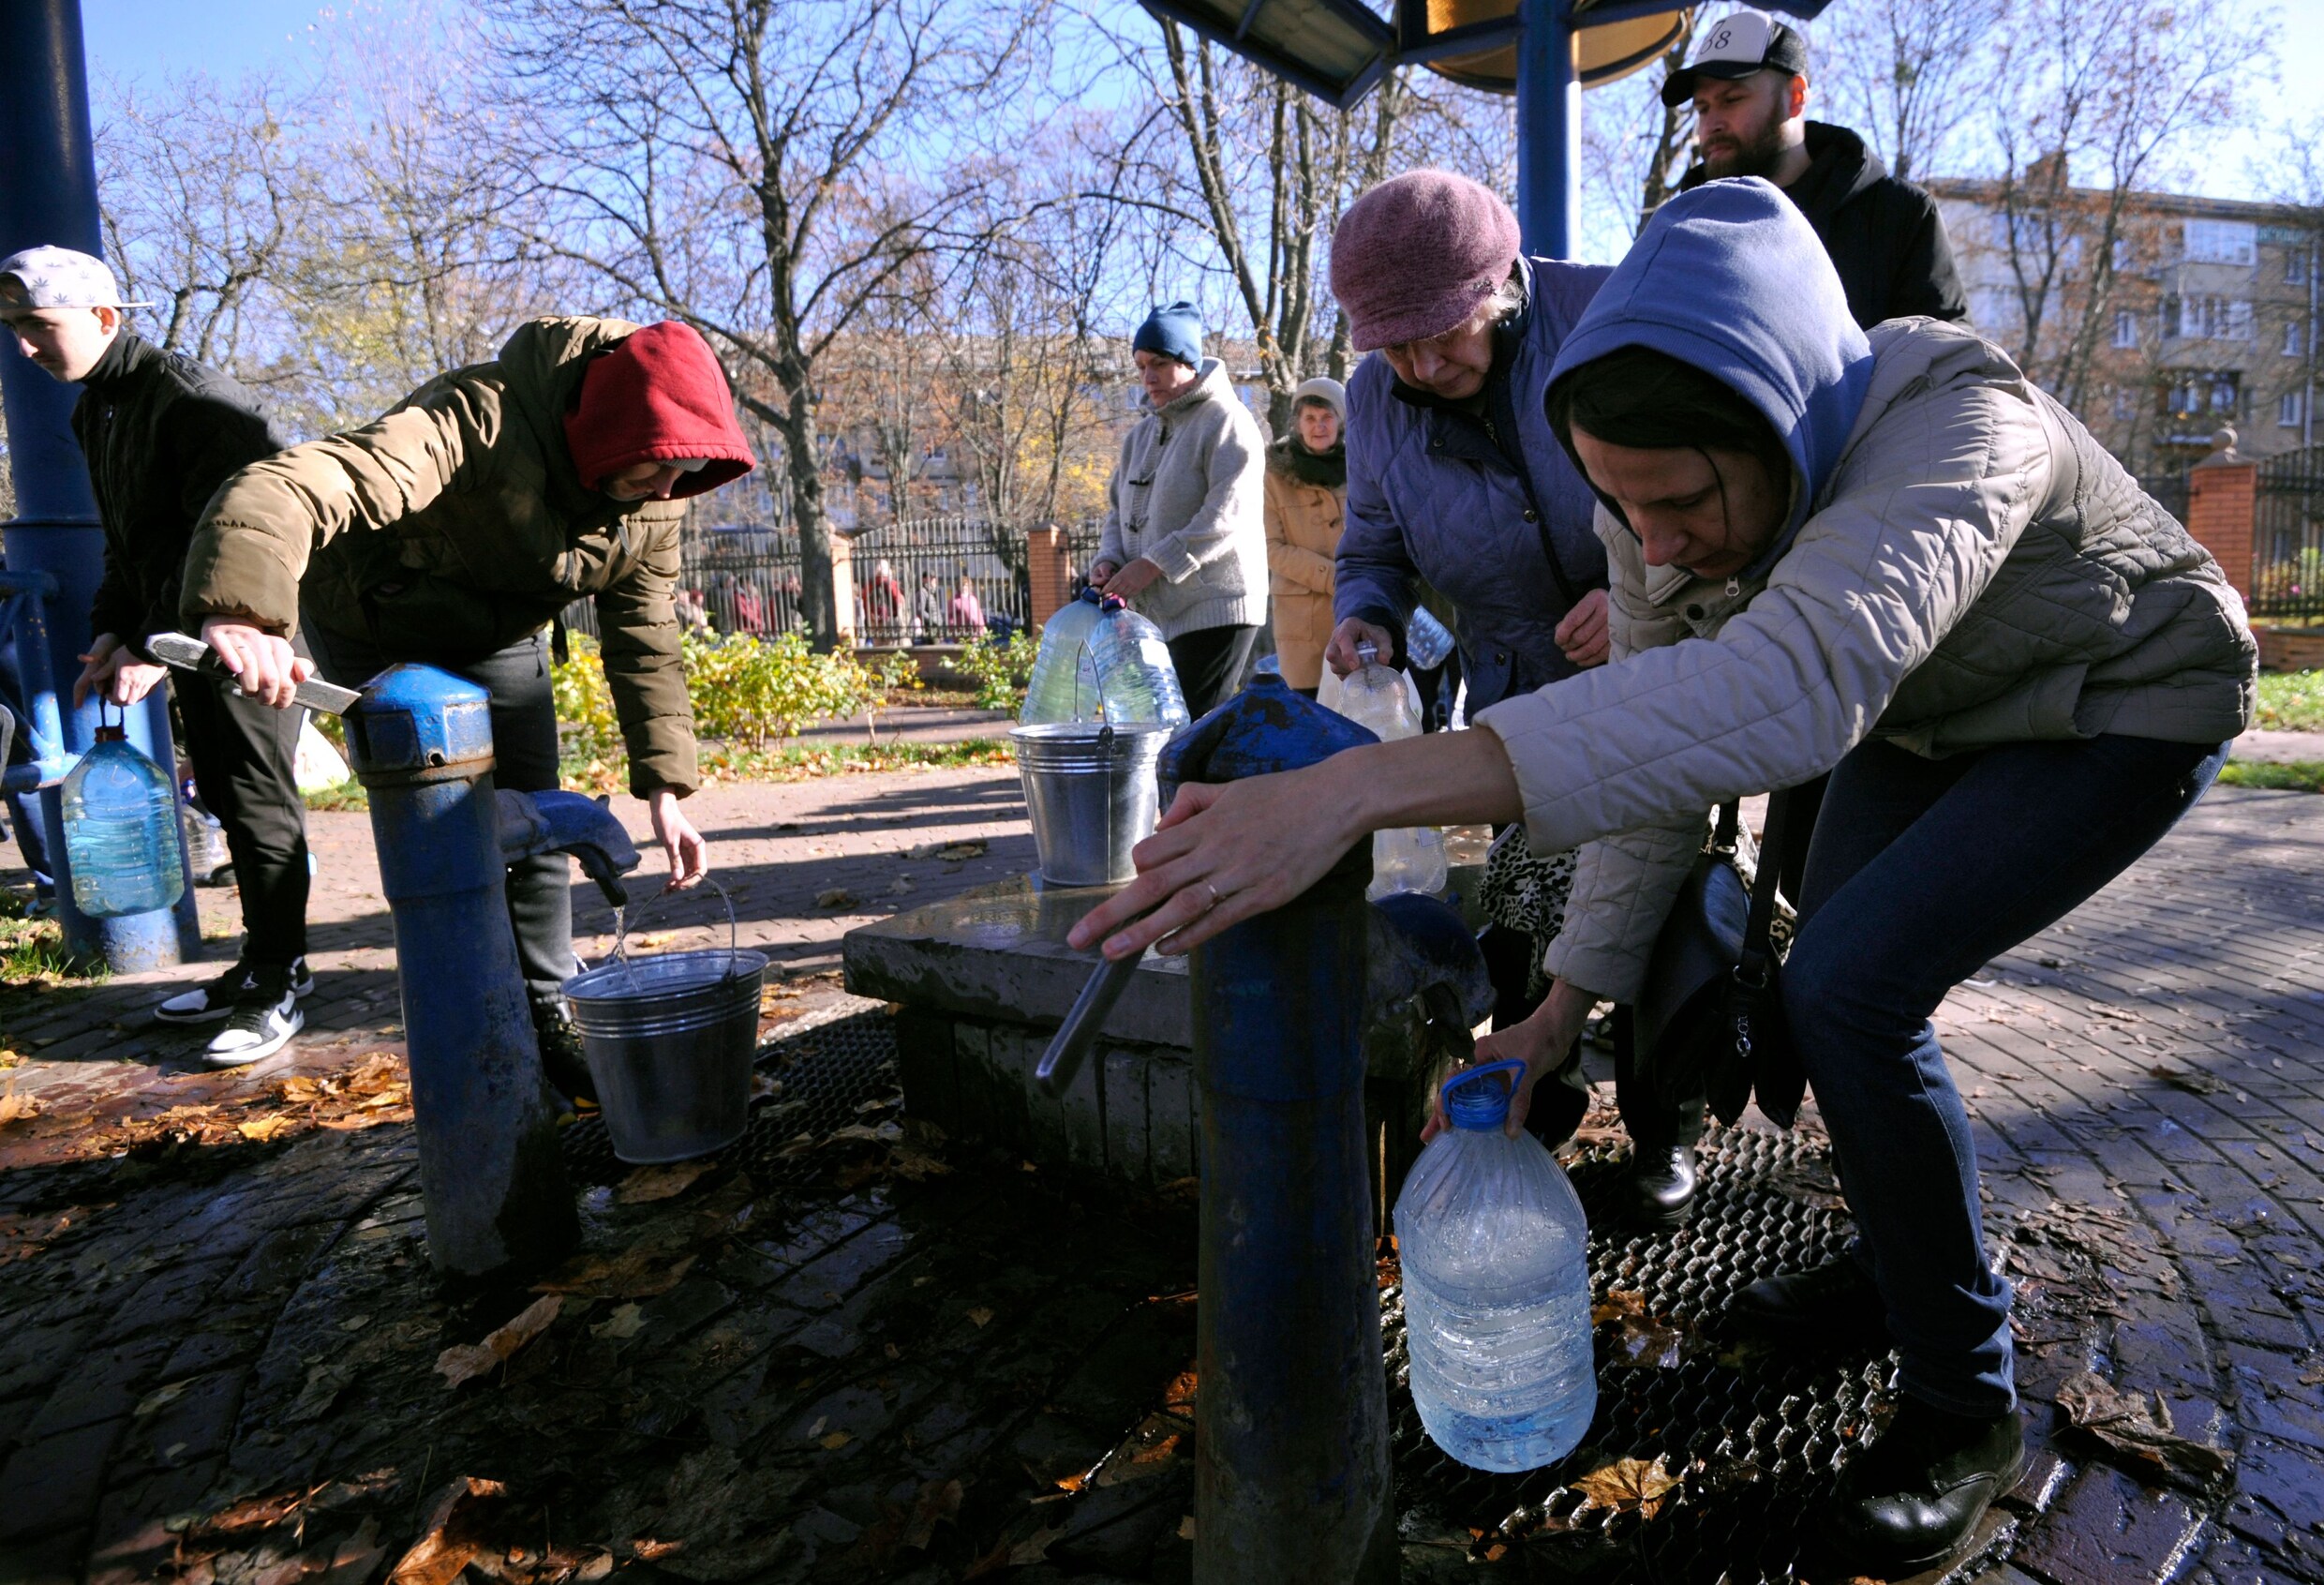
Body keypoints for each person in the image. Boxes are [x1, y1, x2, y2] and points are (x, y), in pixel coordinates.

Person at [1068, 181, 2254, 1573]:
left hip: (2118, 696)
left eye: (1684, 500)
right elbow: (1652, 769)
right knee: (1832, 996)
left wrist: (1357, 786)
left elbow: (1789, 685)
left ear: (1781, 420)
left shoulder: (1956, 421)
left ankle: (1964, 1404)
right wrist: (1558, 1014)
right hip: (1931, 708)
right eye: (1625, 511)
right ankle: (1895, 1270)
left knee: (1855, 987)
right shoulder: (1650, 489)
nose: (1660, 541)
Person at [177, 316, 755, 1098]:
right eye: (652, 466)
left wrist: (667, 789)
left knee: (539, 816)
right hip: (379, 619)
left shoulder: (665, 490)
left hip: (500, 631)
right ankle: (464, 1032)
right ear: (606, 427)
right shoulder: (474, 420)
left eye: (679, 475)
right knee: (442, 827)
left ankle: (550, 1002)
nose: (664, 489)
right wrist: (245, 606)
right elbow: (298, 483)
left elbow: (645, 638)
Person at [1322, 172, 1705, 1224]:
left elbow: (1712, 490)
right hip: (1511, 687)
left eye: (1442, 332)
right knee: (1528, 901)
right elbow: (1370, 547)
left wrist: (1638, 597)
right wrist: (1369, 615)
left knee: (1652, 889)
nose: (1422, 365)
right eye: (1391, 345)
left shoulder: (1606, 314)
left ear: (1498, 285)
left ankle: (1661, 1122)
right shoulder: (1373, 401)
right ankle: (1546, 1086)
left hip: (1655, 660)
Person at [0, 245, 316, 1064]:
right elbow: (133, 541)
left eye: (38, 326)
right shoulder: (97, 408)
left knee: (256, 797)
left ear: (104, 318)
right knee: (219, 787)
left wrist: (147, 640)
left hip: (252, 632)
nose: (24, 348)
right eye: (13, 330)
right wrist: (112, 628)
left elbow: (237, 538)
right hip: (184, 636)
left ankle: (280, 979)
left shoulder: (191, 402)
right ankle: (262, 962)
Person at [1665, 10, 1965, 330]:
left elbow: (1946, 358)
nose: (1712, 124)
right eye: (1703, 108)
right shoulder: (1680, 230)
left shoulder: (1899, 215)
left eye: (1732, 99)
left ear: (1795, 96)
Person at [1092, 301, 1269, 715]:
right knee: (1166, 737)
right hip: (1156, 616)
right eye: (1139, 366)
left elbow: (1226, 517)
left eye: (1159, 363)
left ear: (1188, 361)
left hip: (1218, 610)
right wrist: (1109, 559)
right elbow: (1118, 512)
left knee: (1191, 737)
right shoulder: (1139, 436)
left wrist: (1152, 564)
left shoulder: (1228, 420)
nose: (1147, 377)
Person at [1260, 377, 1346, 697]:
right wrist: (1331, 576)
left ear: (1342, 421)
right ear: (1297, 423)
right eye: (1310, 418)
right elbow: (1270, 547)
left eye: (1327, 418)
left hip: (1356, 611)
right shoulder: (1273, 476)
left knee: (1361, 711)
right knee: (1311, 716)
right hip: (1301, 622)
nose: (1318, 427)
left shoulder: (1363, 467)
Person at [948, 573, 986, 639]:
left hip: (975, 634)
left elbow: (979, 614)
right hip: (962, 635)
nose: (964, 587)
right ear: (958, 587)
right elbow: (951, 618)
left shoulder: (973, 599)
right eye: (962, 585)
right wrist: (955, 633)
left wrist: (981, 628)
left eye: (966, 585)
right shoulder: (954, 601)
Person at [913, 571, 944, 643]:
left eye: (934, 578)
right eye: (931, 578)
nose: (934, 580)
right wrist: (933, 620)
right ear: (924, 580)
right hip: (930, 627)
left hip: (937, 626)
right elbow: (920, 610)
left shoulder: (932, 592)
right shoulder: (923, 592)